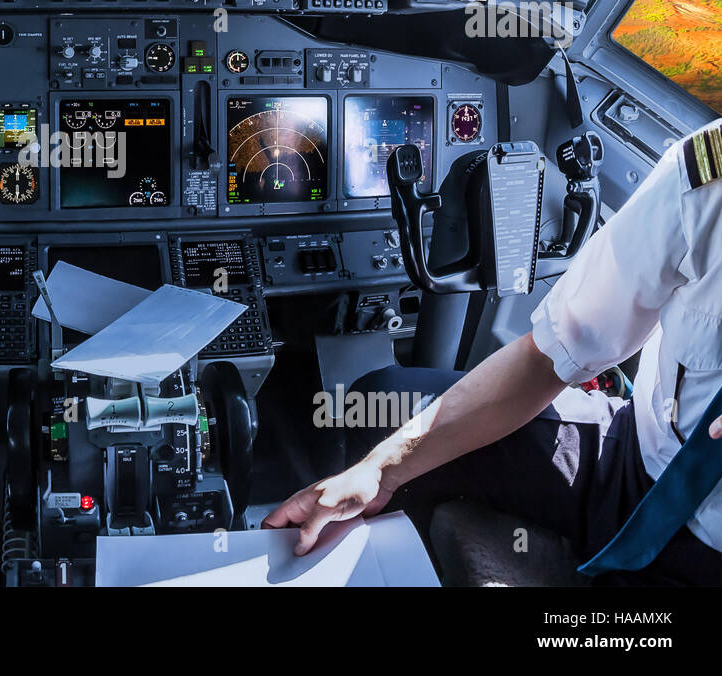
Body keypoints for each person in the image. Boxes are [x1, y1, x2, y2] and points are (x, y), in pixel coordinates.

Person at [264, 118, 722, 586]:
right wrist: (379, 471)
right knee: (384, 401)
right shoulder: (706, 181)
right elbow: (550, 355)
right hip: (634, 461)